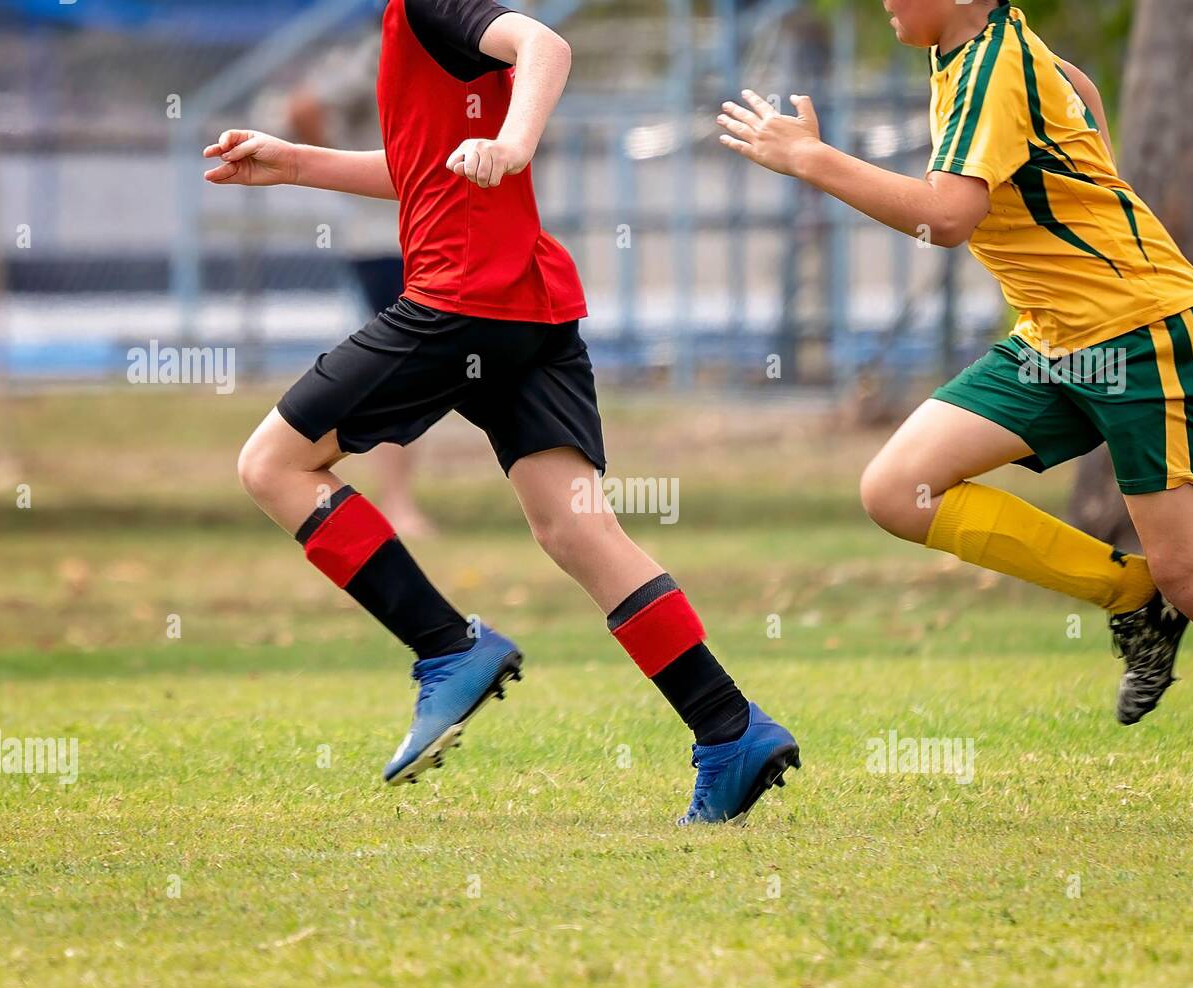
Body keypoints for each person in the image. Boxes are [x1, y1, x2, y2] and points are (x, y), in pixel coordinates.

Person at [203, 0, 800, 823]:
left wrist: (514, 145)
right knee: (579, 530)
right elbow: (428, 165)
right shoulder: (412, 25)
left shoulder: (429, 4)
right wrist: (299, 162)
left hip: (461, 300)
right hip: (528, 306)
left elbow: (543, 44)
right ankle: (730, 729)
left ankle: (448, 648)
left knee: (273, 464)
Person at [718, 0, 1193, 715]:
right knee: (899, 489)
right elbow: (1080, 94)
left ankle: (1160, 590)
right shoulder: (972, 48)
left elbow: (946, 217)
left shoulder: (991, 62)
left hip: (1141, 333)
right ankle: (1131, 594)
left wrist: (812, 159)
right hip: (1054, 341)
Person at [287, 28, 436, 539]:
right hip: (393, 238)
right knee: (405, 374)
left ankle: (394, 502)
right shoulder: (386, 46)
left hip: (422, 233)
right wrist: (346, 166)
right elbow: (305, 107)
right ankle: (395, 504)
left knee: (425, 373)